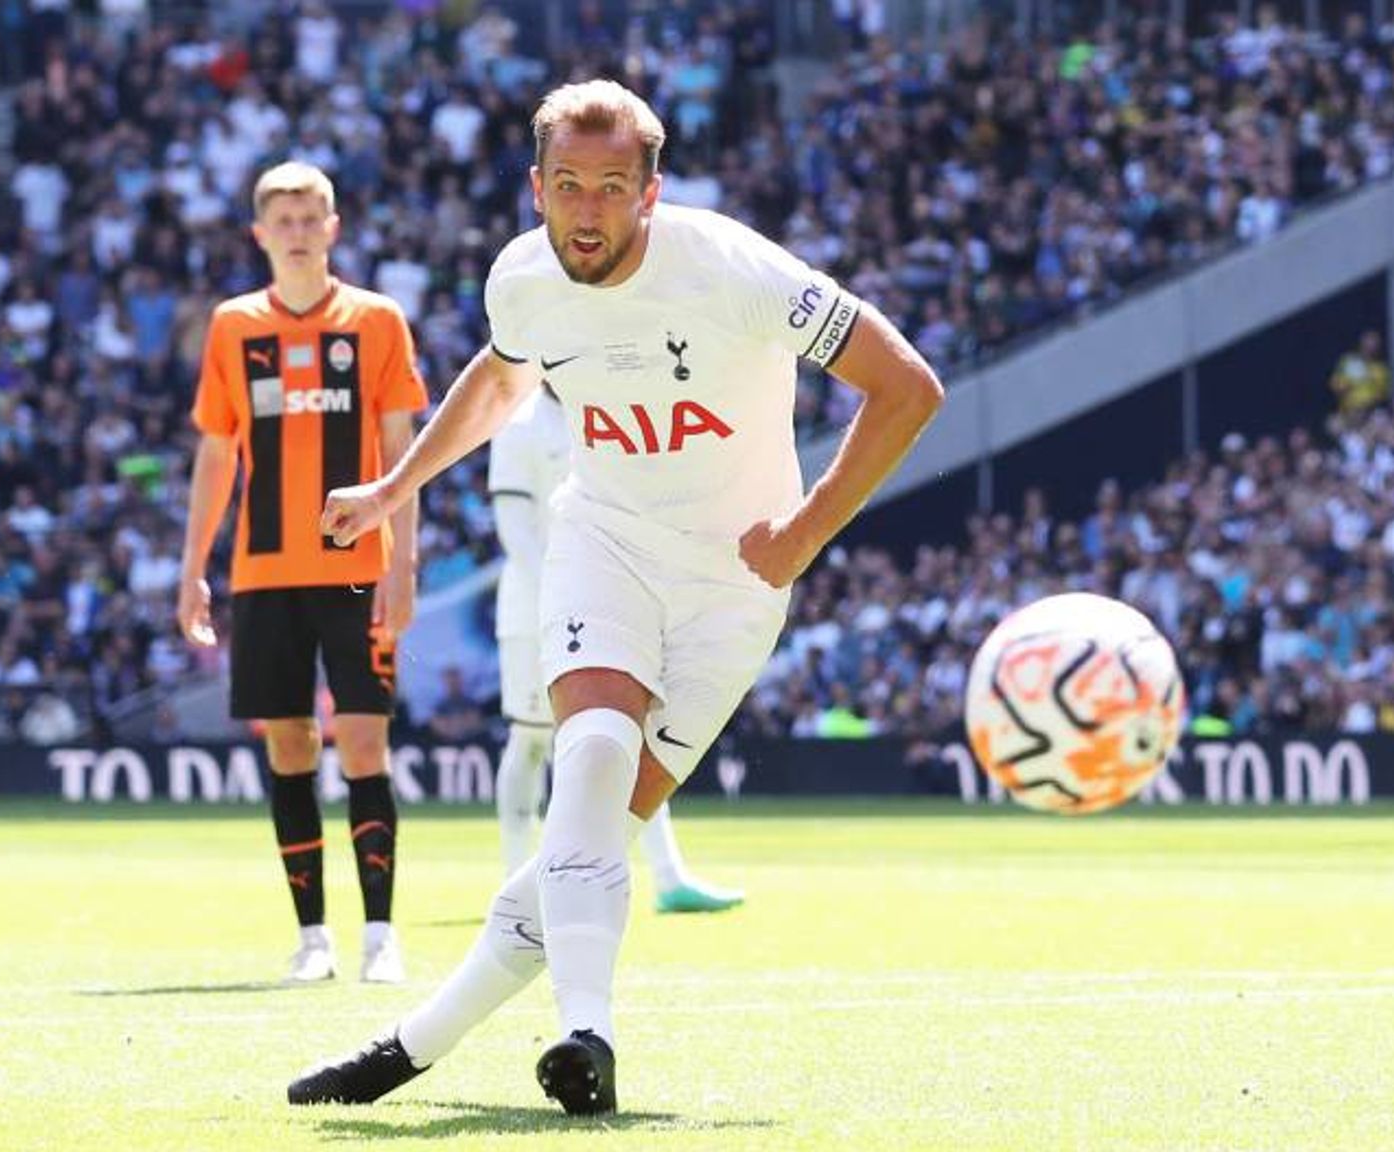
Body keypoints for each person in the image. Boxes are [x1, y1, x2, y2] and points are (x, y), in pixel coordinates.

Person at [289, 79, 942, 1114]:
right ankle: (585, 1036)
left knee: (586, 837)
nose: (585, 210)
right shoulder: (522, 279)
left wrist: (805, 534)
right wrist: (390, 488)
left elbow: (907, 385)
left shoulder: (731, 267)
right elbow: (502, 382)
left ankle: (409, 1048)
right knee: (589, 754)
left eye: (608, 188)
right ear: (535, 187)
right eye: (565, 186)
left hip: (736, 584)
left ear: (650, 189)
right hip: (606, 541)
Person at [177, 161, 428, 985]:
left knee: (363, 741)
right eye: (280, 219)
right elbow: (217, 454)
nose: (295, 230)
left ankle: (380, 935)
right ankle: (313, 936)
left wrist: (404, 563)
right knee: (289, 743)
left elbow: (403, 454)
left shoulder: (378, 320)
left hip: (358, 565)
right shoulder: (232, 326)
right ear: (259, 233)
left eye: (309, 216)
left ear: (333, 227)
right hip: (263, 571)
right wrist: (194, 570)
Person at [489, 386, 747, 911]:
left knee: (630, 734)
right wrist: (560, 596)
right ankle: (516, 879)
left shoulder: (606, 406)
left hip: (610, 605)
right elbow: (515, 532)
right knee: (532, 739)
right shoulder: (519, 428)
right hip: (534, 611)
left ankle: (669, 877)